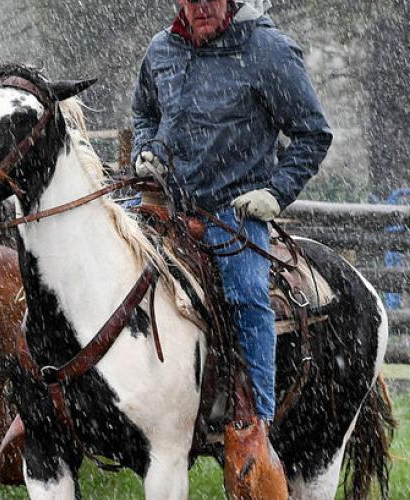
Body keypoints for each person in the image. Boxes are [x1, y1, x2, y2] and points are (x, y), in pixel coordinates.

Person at [131, 0, 331, 495]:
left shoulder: (267, 50)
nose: (201, 6)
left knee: (245, 295)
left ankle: (254, 427)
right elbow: (144, 112)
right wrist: (145, 149)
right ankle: (58, 401)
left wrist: (275, 192)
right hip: (165, 205)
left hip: (233, 211)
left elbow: (312, 133)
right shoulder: (161, 50)